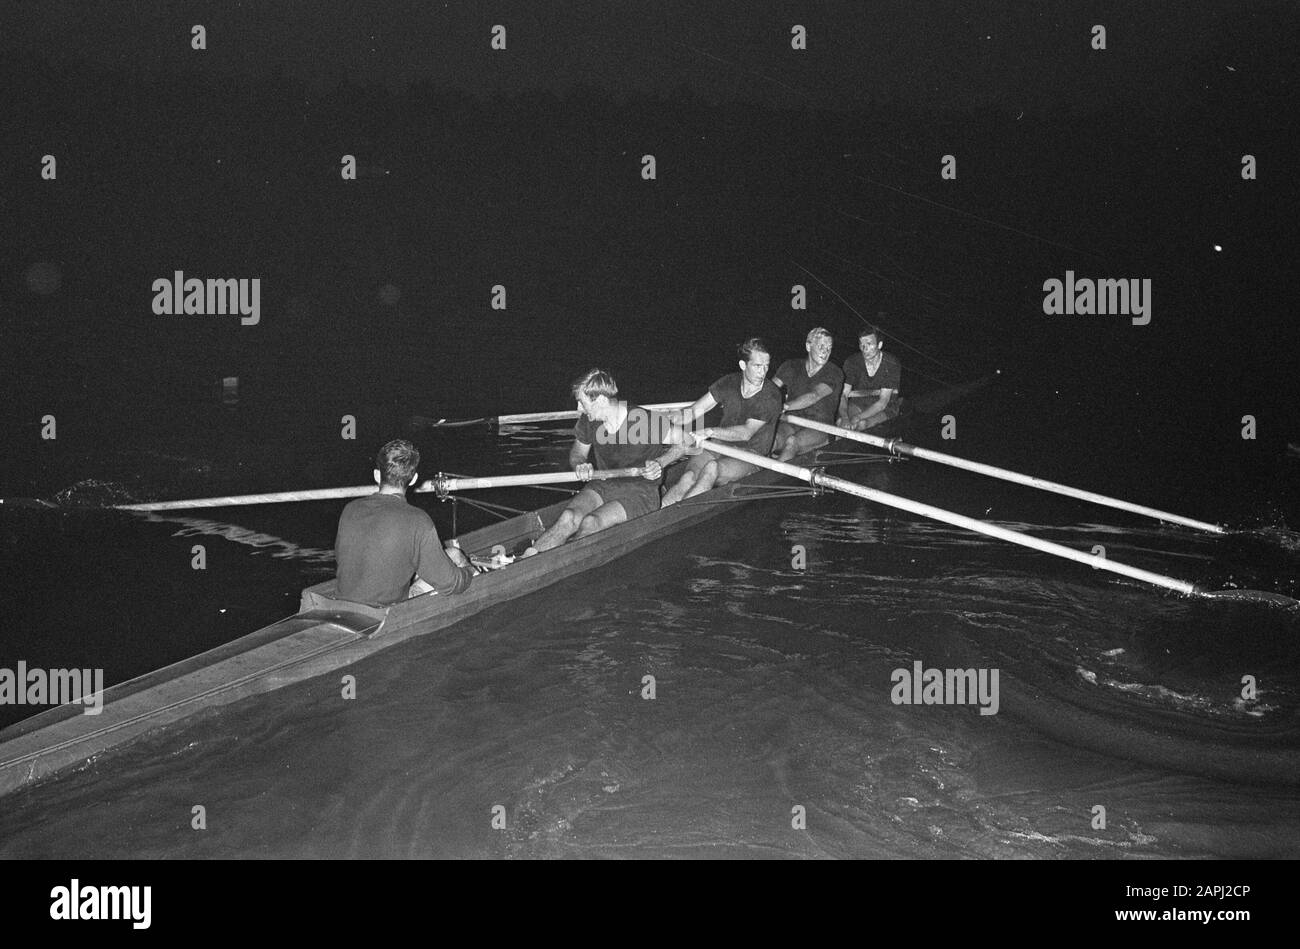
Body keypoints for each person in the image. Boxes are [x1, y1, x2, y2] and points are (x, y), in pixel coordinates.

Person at [523, 369, 670, 556]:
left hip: (640, 491)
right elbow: (577, 452)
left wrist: (660, 462)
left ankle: (559, 562)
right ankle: (525, 559)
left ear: (600, 400)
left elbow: (686, 442)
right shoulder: (589, 420)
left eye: (581, 403)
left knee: (591, 522)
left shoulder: (643, 420)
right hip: (605, 483)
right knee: (569, 517)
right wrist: (580, 464)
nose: (578, 409)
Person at [334, 439, 475, 606]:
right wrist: (469, 571)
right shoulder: (418, 520)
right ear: (414, 478)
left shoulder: (350, 509)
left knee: (450, 553)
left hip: (341, 605)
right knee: (455, 557)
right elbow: (450, 584)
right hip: (384, 614)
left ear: (377, 475)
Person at [659, 338, 784, 506]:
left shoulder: (771, 396)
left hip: (751, 454)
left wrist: (710, 432)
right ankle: (659, 516)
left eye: (766, 366)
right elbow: (694, 411)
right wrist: (666, 418)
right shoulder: (728, 382)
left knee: (712, 468)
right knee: (688, 477)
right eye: (757, 366)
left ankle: (677, 515)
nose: (763, 372)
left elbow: (745, 432)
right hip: (719, 446)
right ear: (742, 365)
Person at [771, 326, 845, 461]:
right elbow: (770, 389)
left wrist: (783, 407)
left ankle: (771, 478)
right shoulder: (791, 366)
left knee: (792, 442)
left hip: (820, 427)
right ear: (808, 346)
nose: (826, 351)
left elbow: (814, 396)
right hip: (791, 421)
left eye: (829, 347)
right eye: (821, 346)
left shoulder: (835, 372)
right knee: (771, 438)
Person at [838, 323, 902, 431]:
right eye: (861, 344)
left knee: (863, 424)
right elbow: (843, 394)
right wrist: (844, 418)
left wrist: (858, 418)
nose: (864, 348)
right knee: (840, 423)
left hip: (885, 409)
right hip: (857, 404)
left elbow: (882, 403)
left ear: (879, 345)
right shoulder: (852, 362)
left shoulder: (891, 363)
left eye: (869, 344)